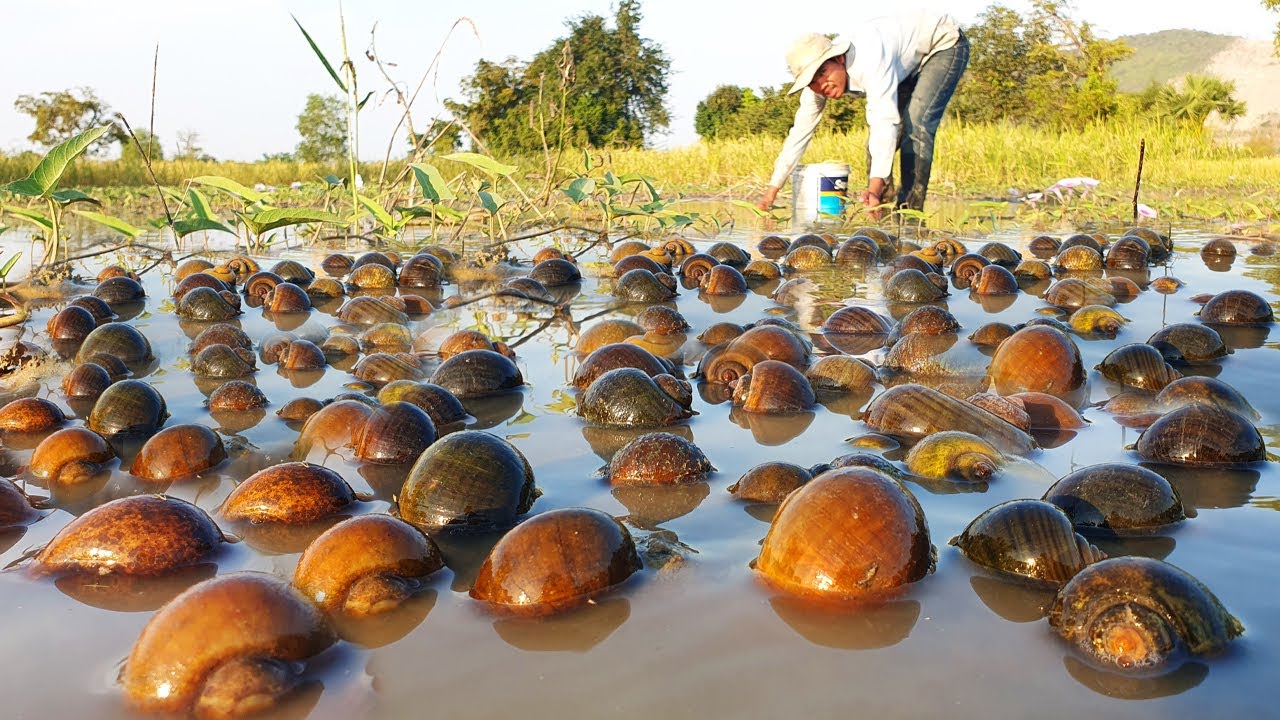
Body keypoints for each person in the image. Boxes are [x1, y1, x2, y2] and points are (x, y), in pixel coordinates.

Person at [756, 10, 969, 218]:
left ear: (839, 59)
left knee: (917, 125)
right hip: (904, 66)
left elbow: (884, 121)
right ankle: (879, 214)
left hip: (942, 44)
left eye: (822, 73)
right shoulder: (815, 89)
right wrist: (770, 194)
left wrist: (873, 187)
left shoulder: (869, 60)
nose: (822, 85)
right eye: (812, 81)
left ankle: (910, 218)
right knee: (874, 147)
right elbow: (799, 135)